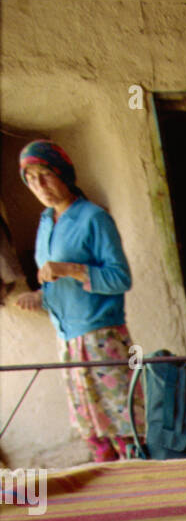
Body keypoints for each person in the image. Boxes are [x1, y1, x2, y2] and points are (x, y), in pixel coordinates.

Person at [16, 140, 143, 461]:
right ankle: (112, 500)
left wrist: (71, 268)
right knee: (93, 430)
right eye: (31, 179)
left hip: (103, 339)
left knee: (124, 427)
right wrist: (39, 296)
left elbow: (120, 278)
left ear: (63, 174)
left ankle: (140, 495)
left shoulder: (92, 218)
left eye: (45, 175)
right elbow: (56, 282)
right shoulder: (47, 222)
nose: (39, 186)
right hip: (68, 343)